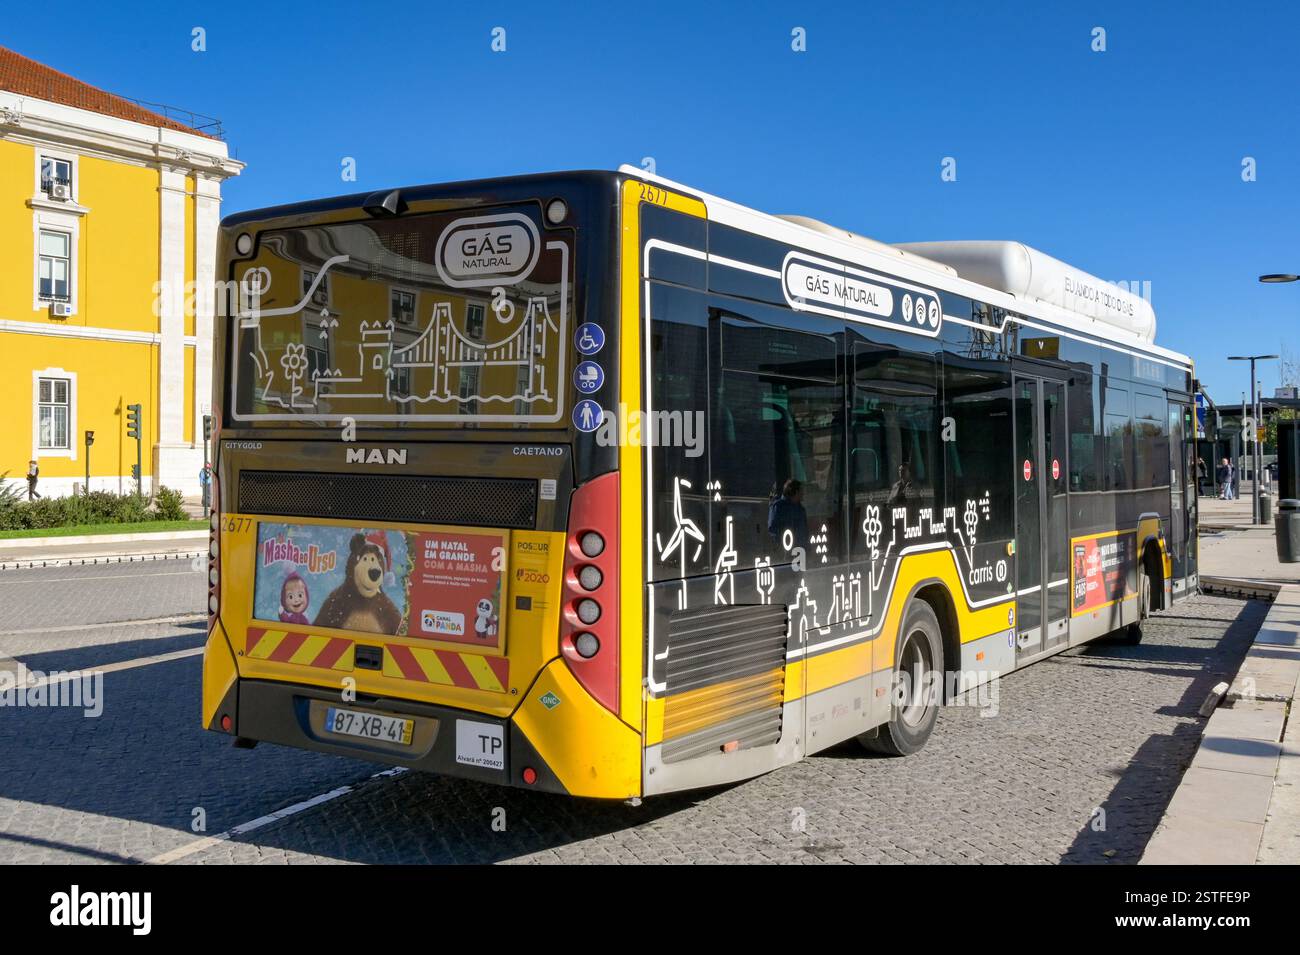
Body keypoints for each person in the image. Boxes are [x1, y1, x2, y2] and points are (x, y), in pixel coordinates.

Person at [768, 478, 810, 552]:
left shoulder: (801, 509)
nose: (803, 493)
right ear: (796, 492)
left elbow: (805, 531)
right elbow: (773, 529)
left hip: (801, 551)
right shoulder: (778, 507)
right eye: (801, 491)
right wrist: (783, 544)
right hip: (785, 551)